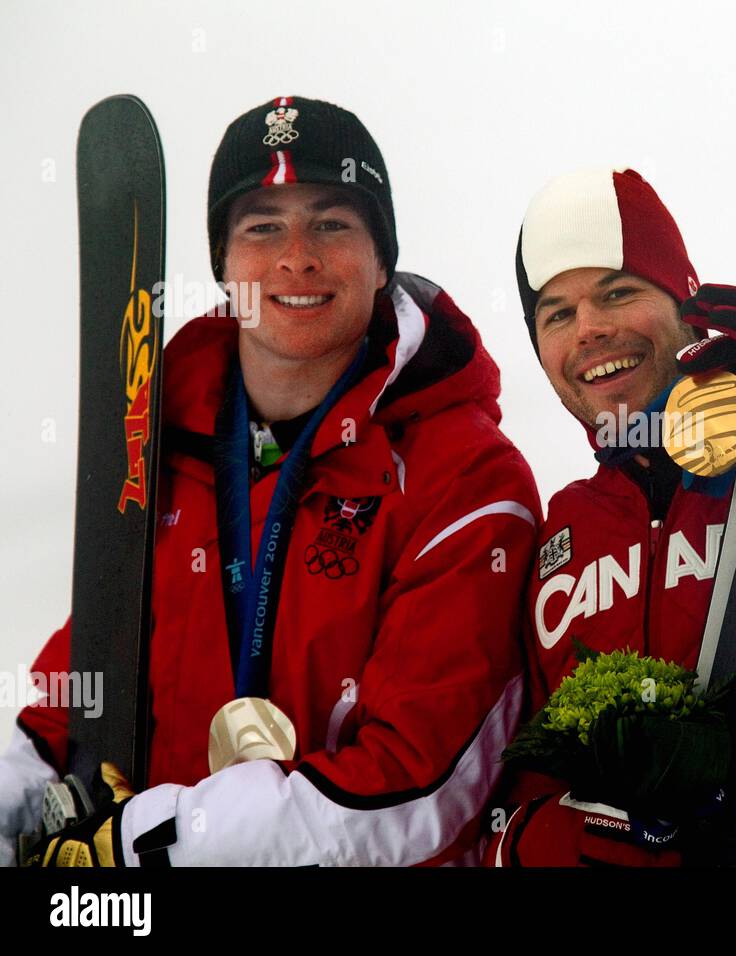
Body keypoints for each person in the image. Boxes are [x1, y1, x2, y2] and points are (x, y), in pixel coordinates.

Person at [0, 96, 540, 866]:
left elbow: (421, 783)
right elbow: (84, 688)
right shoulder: (163, 450)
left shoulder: (469, 478)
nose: (296, 257)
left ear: (382, 260)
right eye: (261, 226)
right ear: (222, 265)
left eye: (331, 223)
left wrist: (151, 844)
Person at [491, 167, 736, 865]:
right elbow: (518, 781)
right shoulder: (559, 535)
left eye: (617, 292)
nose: (589, 329)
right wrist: (555, 841)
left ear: (687, 307)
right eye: (557, 314)